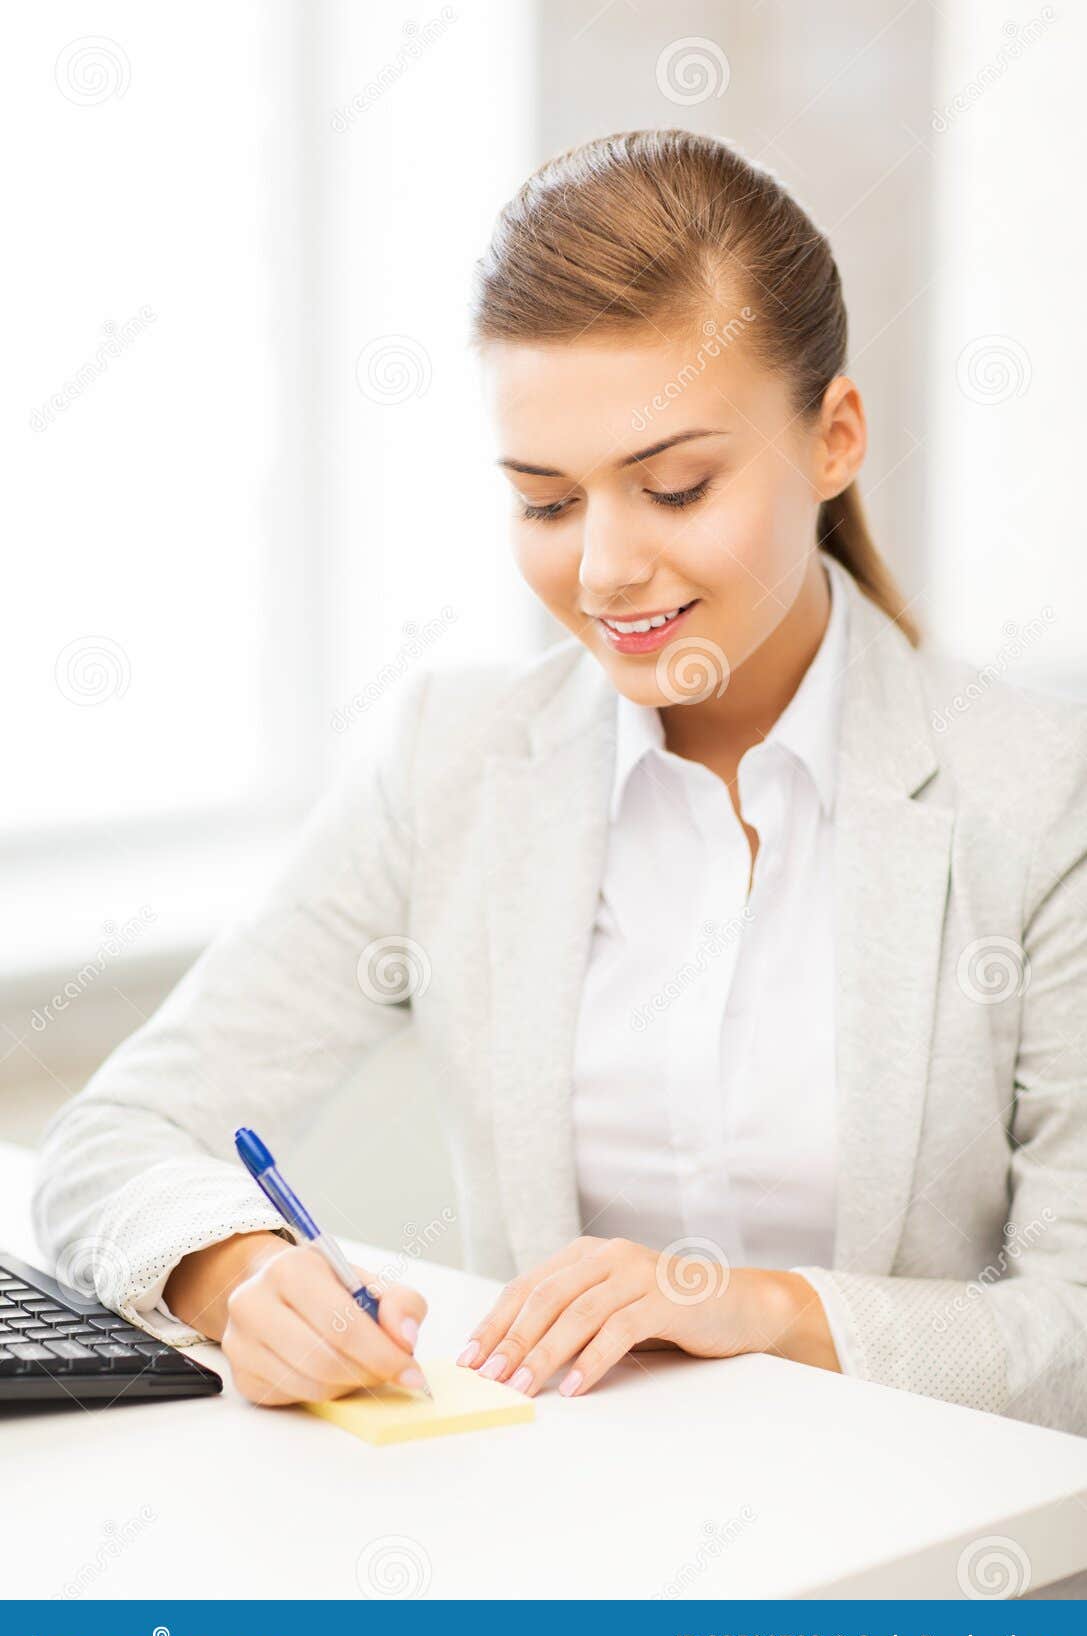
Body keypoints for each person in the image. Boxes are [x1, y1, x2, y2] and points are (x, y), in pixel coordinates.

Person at [34, 130, 1087, 1431]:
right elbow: (113, 1136)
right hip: (561, 1539)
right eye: (545, 502)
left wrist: (760, 1306)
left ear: (836, 438)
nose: (602, 572)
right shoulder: (455, 761)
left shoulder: (1038, 798)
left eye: (675, 486)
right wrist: (237, 1270)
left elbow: (1074, 1324)